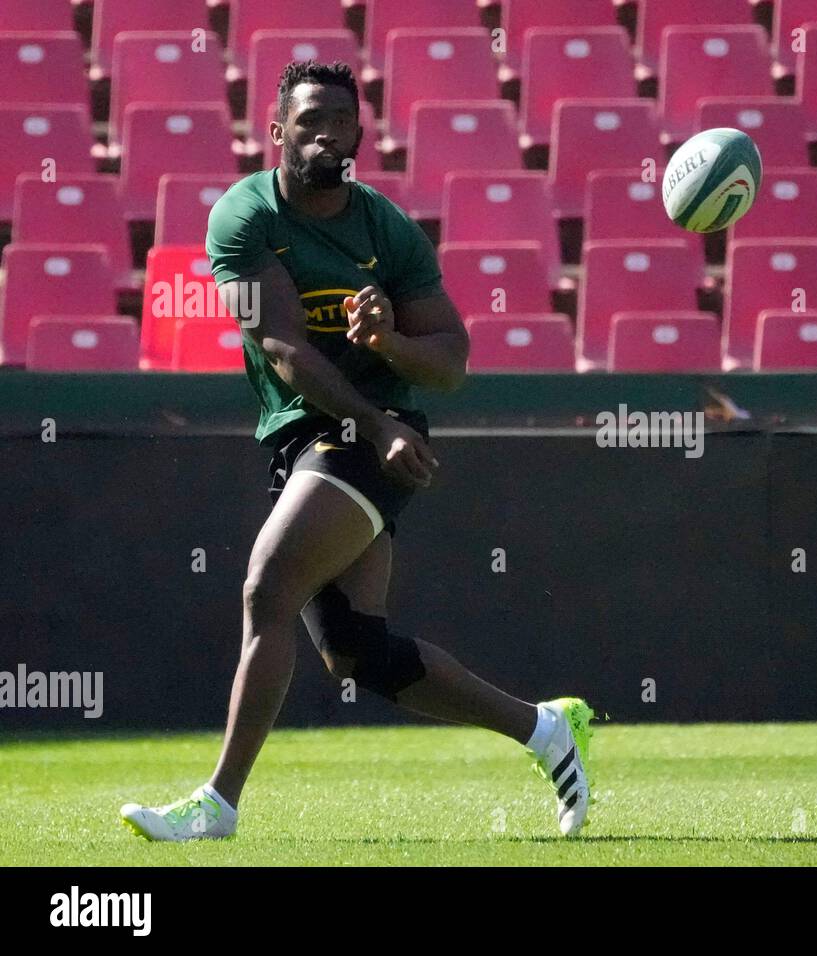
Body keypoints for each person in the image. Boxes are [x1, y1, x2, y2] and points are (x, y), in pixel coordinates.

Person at [120, 61, 592, 842]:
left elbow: (451, 361)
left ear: (360, 134)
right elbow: (278, 344)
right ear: (277, 133)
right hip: (327, 432)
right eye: (310, 121)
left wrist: (389, 343)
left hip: (374, 437)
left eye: (342, 120)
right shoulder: (243, 216)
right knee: (357, 654)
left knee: (268, 586)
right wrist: (374, 421)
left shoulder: (386, 228)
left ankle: (218, 805)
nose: (327, 134)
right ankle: (545, 731)